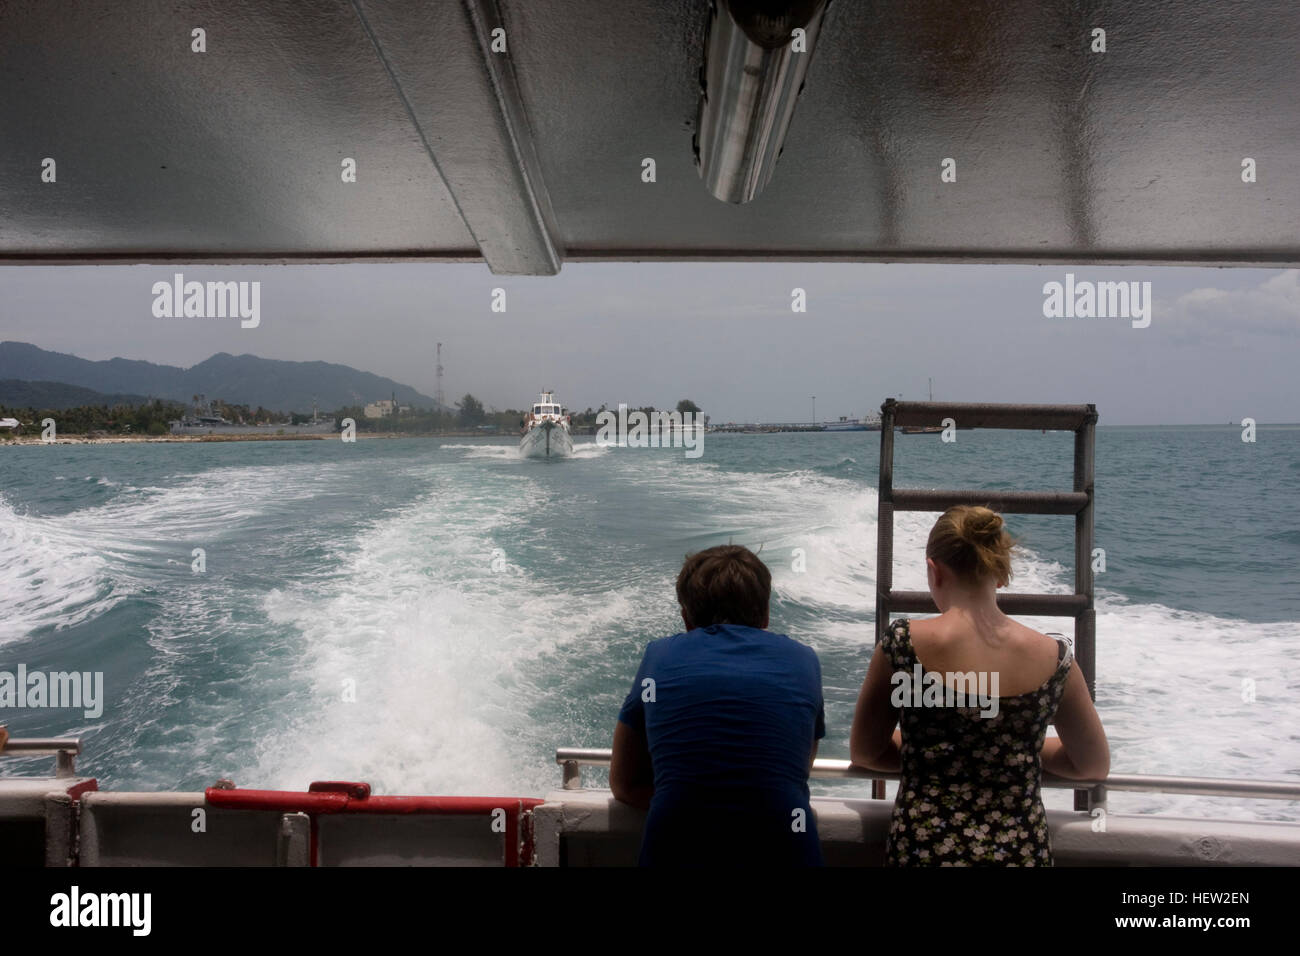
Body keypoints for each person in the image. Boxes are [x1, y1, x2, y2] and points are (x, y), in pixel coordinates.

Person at [850, 505, 1109, 866]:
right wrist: (1017, 754)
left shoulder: (902, 646)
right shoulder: (1055, 657)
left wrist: (933, 752)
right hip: (1021, 854)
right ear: (1000, 575)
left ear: (934, 571)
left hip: (923, 854)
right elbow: (1092, 765)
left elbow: (865, 751)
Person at [610, 544, 826, 866]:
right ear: (765, 613)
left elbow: (624, 783)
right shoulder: (803, 661)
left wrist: (697, 808)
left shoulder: (659, 657)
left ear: (686, 618)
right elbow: (798, 768)